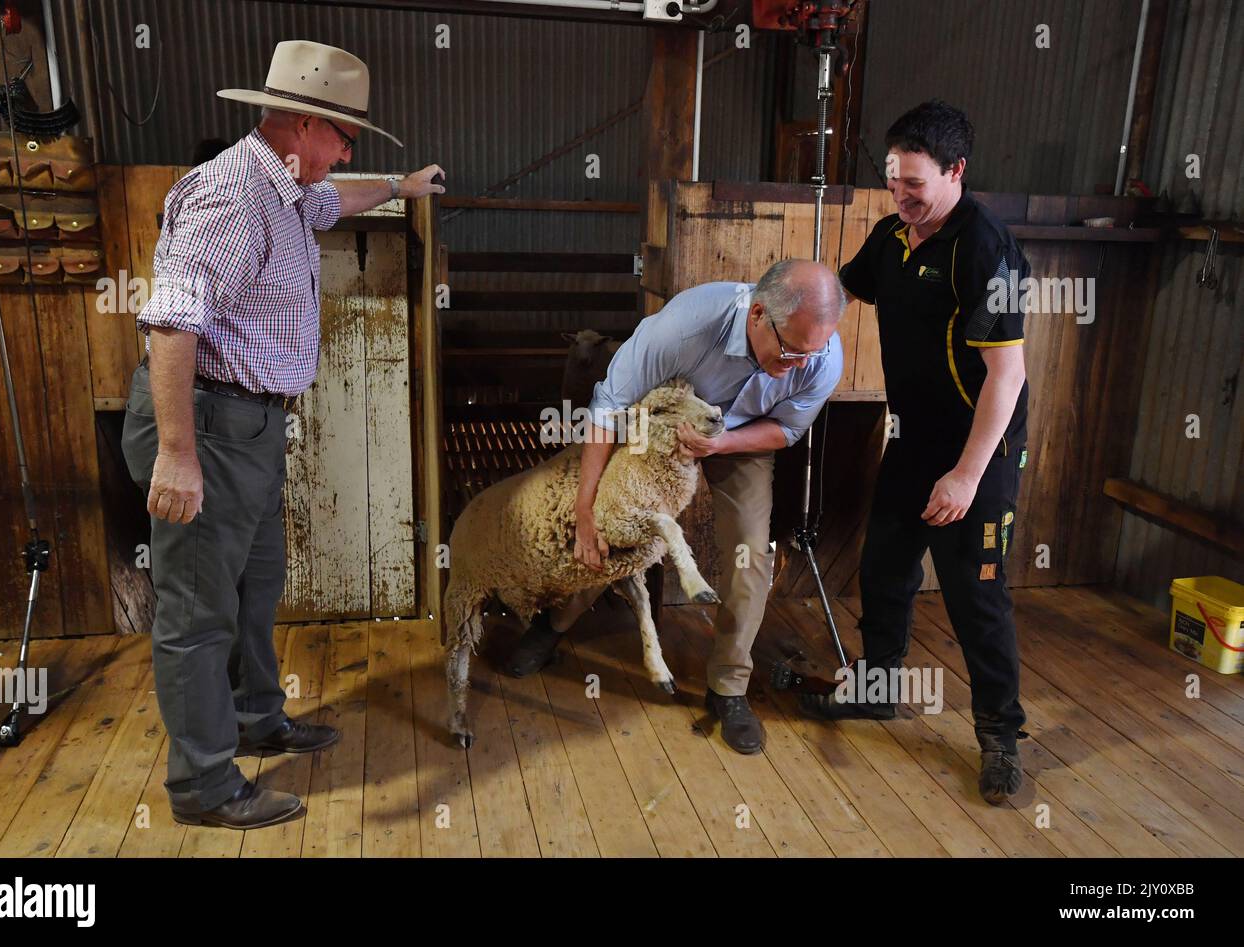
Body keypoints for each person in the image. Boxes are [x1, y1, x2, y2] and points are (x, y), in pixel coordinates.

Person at [121, 40, 445, 830]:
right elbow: (172, 323)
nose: (345, 153)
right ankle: (204, 784)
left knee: (255, 585)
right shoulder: (233, 194)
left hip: (254, 427)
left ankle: (254, 717)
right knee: (198, 612)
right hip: (207, 424)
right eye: (343, 138)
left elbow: (340, 202)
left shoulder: (294, 188)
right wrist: (177, 451)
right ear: (305, 124)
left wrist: (399, 187)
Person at [506, 260, 845, 755]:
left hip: (740, 437)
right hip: (661, 421)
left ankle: (728, 686)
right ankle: (553, 624)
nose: (799, 363)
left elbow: (787, 429)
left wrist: (722, 443)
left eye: (810, 352)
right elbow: (609, 406)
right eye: (790, 350)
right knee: (619, 529)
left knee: (751, 555)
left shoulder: (820, 356)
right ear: (757, 315)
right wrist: (585, 509)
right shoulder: (684, 326)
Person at [800, 101, 1030, 805]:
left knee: (975, 598)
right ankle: (877, 688)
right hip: (912, 438)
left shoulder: (987, 250)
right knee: (884, 570)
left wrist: (966, 475)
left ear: (956, 172)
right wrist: (782, 308)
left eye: (916, 184)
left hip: (977, 452)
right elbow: (841, 289)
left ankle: (999, 736)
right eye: (894, 181)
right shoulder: (892, 237)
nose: (902, 196)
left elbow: (1008, 375)